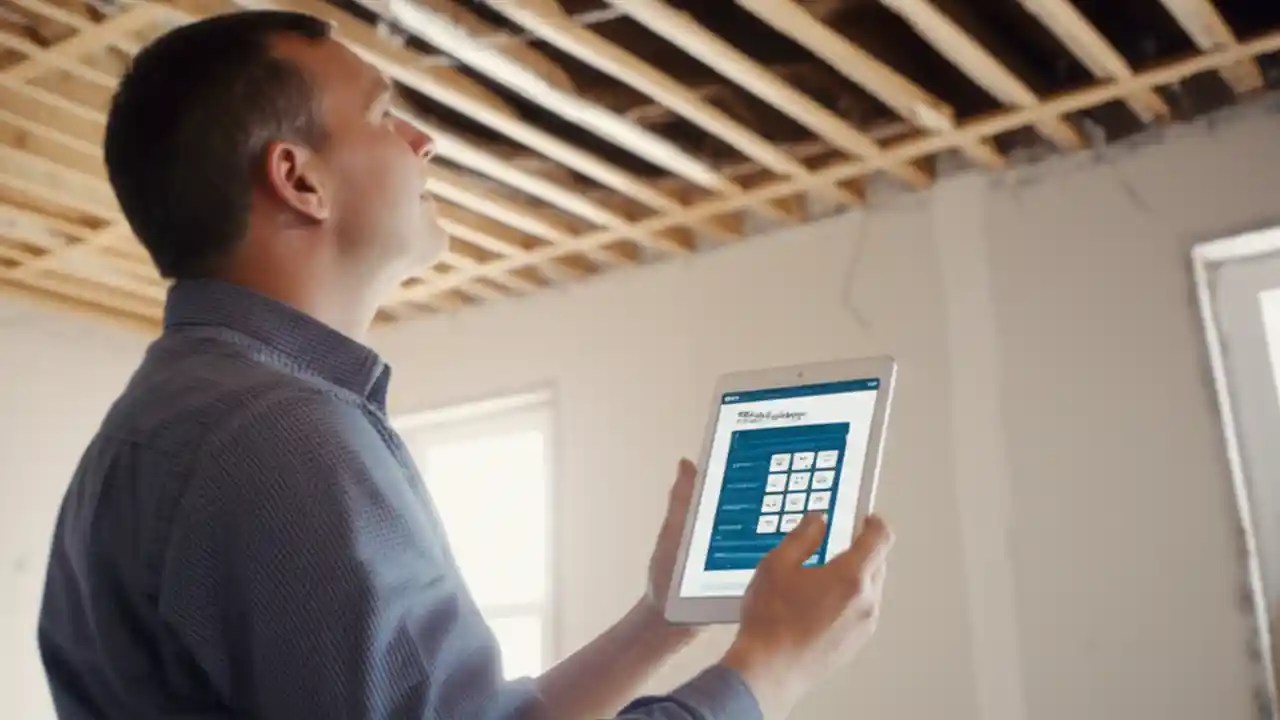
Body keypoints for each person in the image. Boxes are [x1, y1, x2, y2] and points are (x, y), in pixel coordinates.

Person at [37, 11, 895, 720]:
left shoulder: (178, 422)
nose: (424, 140)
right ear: (299, 181)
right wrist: (768, 669)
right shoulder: (280, 435)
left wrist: (660, 623)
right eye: (381, 115)